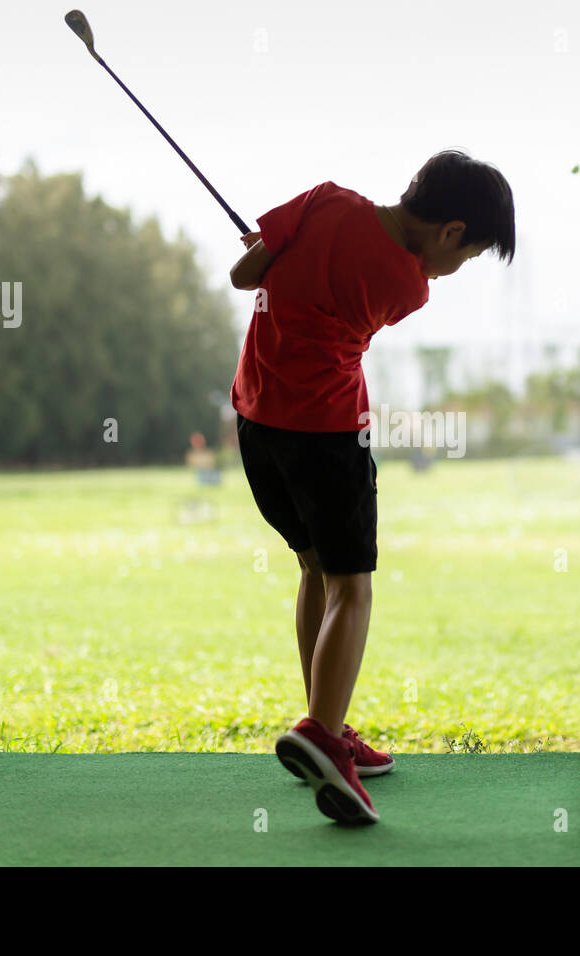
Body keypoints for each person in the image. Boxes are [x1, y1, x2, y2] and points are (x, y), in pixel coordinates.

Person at [228, 150, 515, 823]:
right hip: (326, 435)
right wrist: (285, 256)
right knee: (352, 584)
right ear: (450, 231)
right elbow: (352, 275)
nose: (452, 271)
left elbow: (246, 279)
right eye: (466, 256)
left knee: (314, 571)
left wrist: (272, 248)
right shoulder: (409, 287)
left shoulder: (325, 200)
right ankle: (323, 736)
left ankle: (321, 725)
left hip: (256, 423)